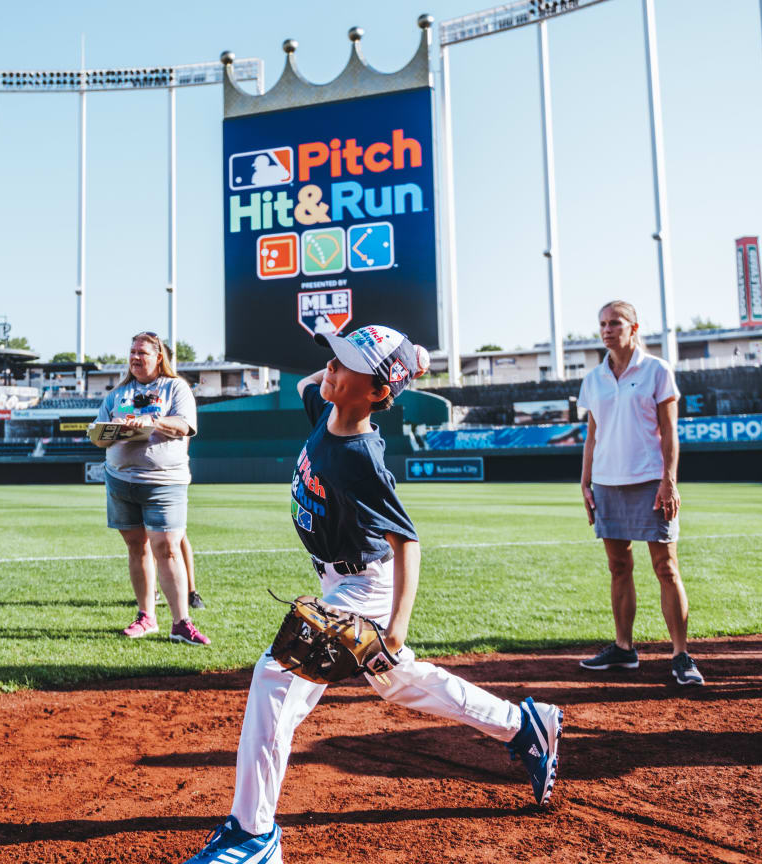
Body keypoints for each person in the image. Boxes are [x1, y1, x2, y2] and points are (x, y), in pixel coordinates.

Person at [181, 325, 562, 864]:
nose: (328, 372)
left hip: (366, 584)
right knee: (397, 681)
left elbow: (407, 543)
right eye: (332, 362)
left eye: (343, 366)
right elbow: (307, 386)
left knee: (276, 676)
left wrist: (398, 624)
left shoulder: (361, 455)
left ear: (378, 394)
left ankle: (252, 835)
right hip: (336, 578)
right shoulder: (327, 407)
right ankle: (524, 725)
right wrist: (348, 348)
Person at [576, 300, 702, 686]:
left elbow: (669, 432)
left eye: (615, 322)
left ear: (634, 327)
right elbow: (592, 435)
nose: (607, 329)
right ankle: (624, 649)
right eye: (602, 323)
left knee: (666, 567)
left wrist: (670, 480)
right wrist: (585, 481)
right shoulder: (593, 378)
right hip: (607, 481)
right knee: (619, 568)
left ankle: (681, 655)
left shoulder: (656, 370)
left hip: (650, 480)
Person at [92, 331, 209, 646]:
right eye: (131, 352)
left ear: (159, 357)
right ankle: (146, 617)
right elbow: (100, 436)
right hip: (120, 481)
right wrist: (111, 431)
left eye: (141, 352)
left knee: (167, 548)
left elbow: (185, 426)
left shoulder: (175, 387)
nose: (134, 357)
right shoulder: (116, 394)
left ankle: (181, 622)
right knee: (136, 547)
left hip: (163, 482)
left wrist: (150, 422)